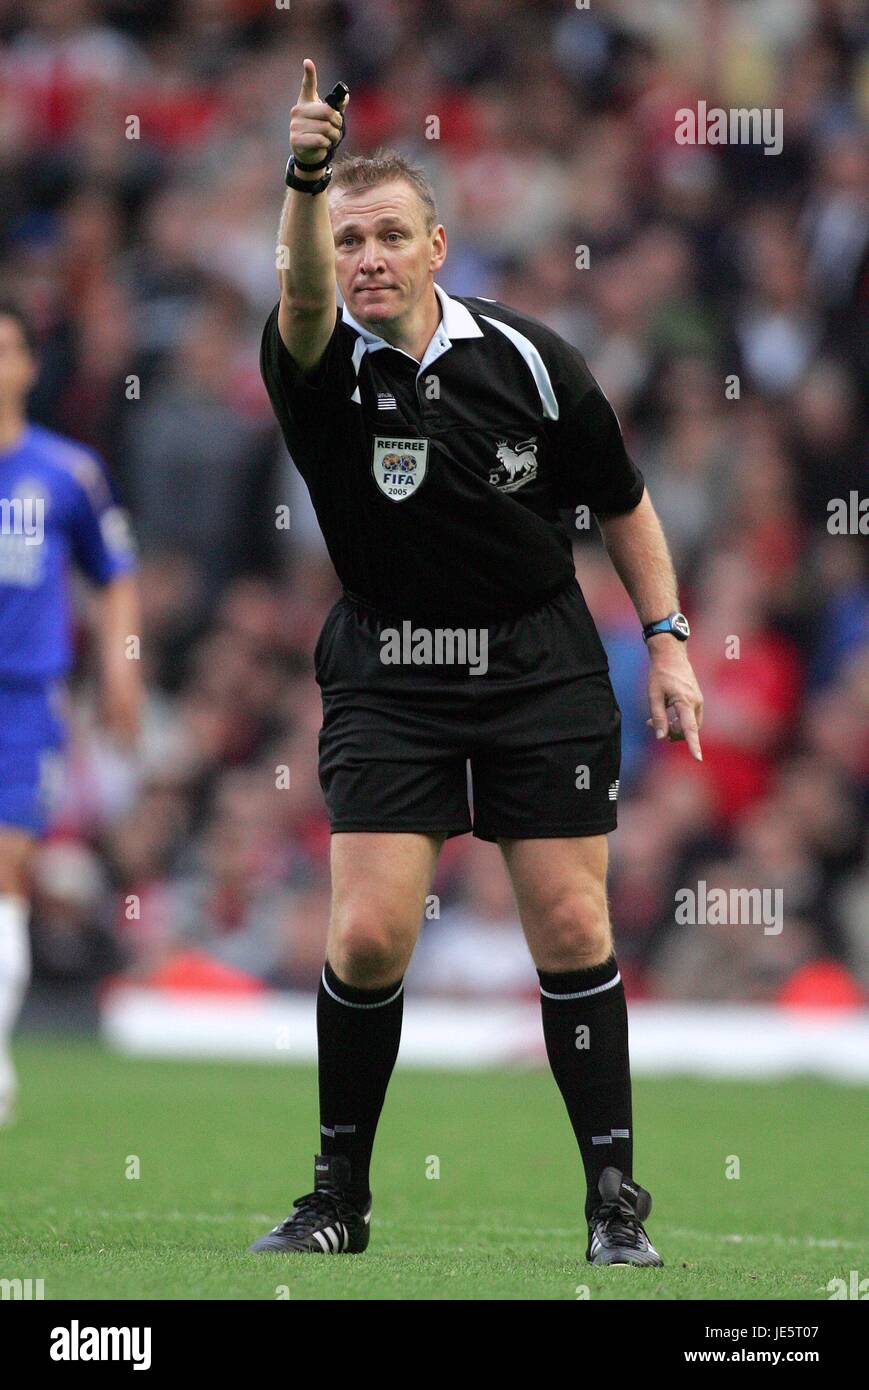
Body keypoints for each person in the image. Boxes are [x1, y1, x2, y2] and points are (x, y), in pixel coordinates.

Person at [250, 60, 703, 1266]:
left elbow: (623, 503)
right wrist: (304, 174)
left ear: (437, 244)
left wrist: (665, 640)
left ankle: (613, 1203)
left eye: (390, 233)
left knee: (566, 921)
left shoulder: (534, 359)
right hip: (390, 667)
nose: (367, 258)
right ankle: (337, 1197)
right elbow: (295, 295)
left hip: (534, 664)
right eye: (349, 239)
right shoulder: (314, 362)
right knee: (363, 940)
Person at [0, 302, 140, 1124]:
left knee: (5, 865)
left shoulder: (67, 472)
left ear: (27, 365)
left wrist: (121, 670)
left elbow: (114, 571)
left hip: (22, 702)